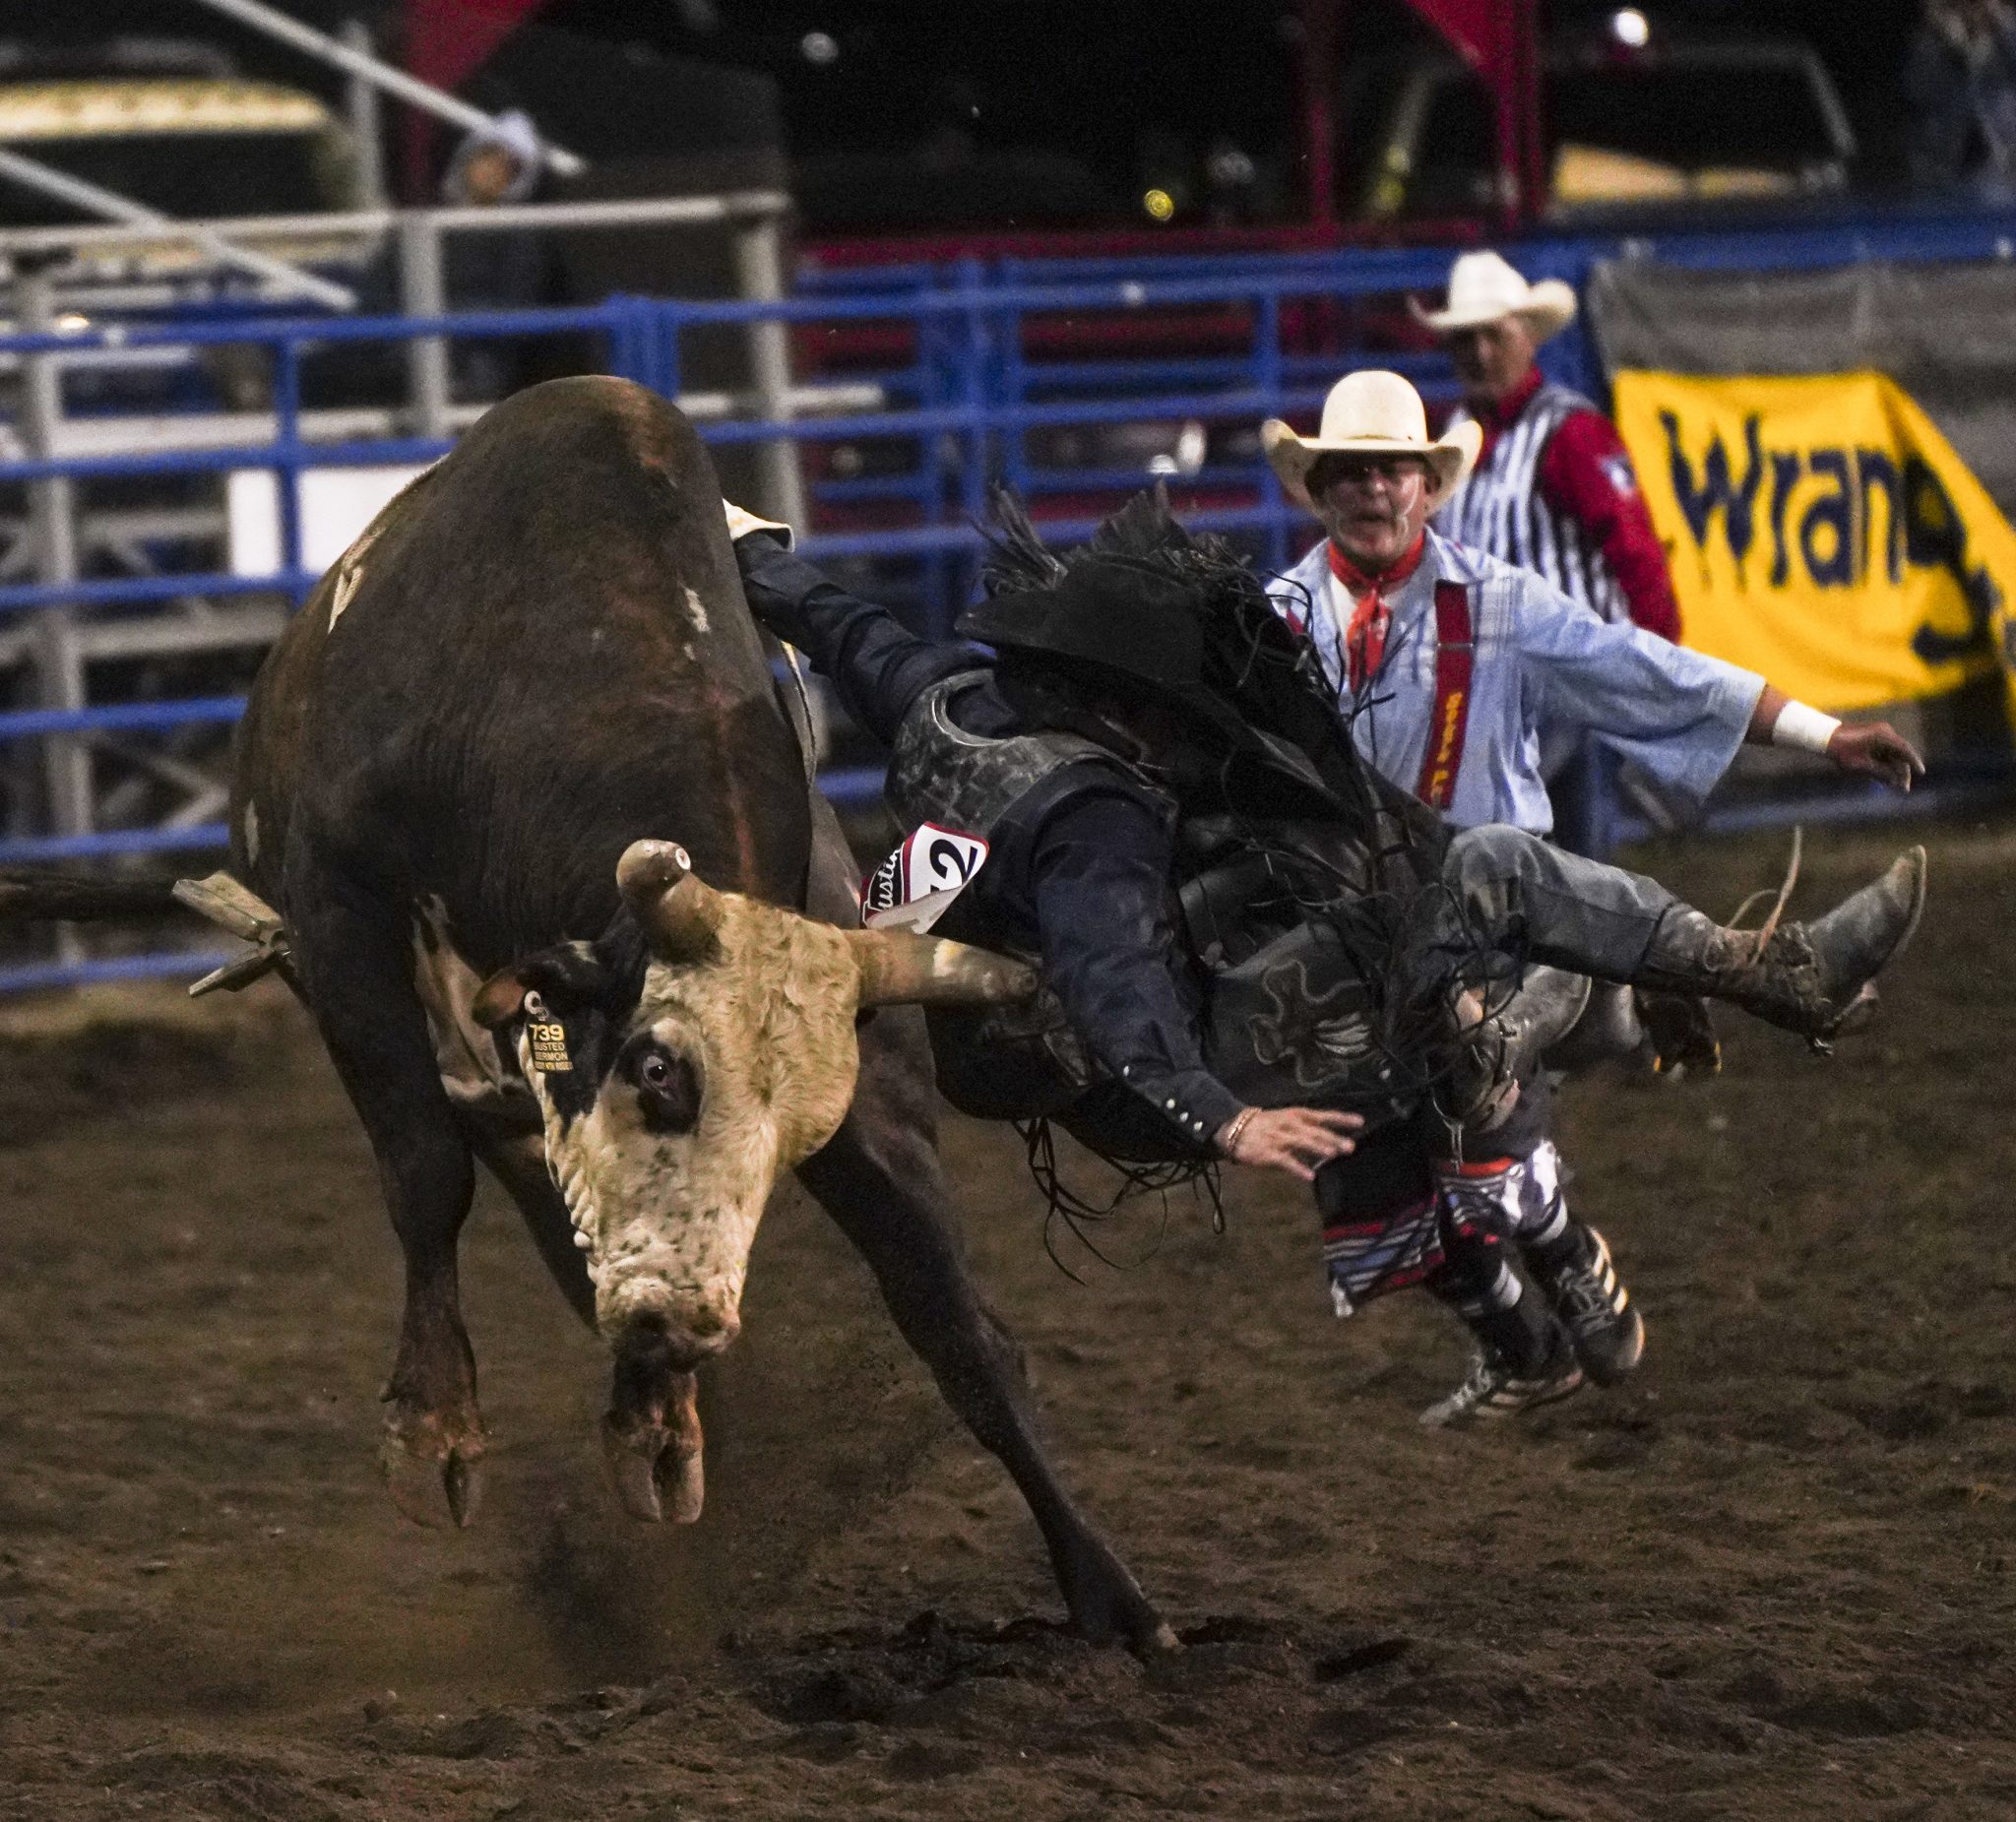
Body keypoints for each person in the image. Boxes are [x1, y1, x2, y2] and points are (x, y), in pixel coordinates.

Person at [721, 494, 1924, 1424]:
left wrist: (736, 544)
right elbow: (1116, 982)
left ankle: (1539, 1150)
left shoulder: (943, 696)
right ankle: (1761, 977)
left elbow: (839, 620)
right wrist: (1218, 1119)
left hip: (1029, 1047)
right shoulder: (1097, 817)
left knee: (1388, 896)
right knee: (1477, 884)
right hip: (1139, 1077)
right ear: (1119, 703)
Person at [1260, 370, 1924, 1424]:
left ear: (1426, 488)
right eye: (1349, 473)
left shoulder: (1499, 606)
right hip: (1353, 944)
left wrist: (1821, 731)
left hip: (1502, 938)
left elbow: (1650, 673)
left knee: (1478, 1109)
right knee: (1362, 1185)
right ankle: (1523, 1344)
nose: (1371, 491)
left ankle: (1566, 1237)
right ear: (1320, 491)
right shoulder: (1272, 630)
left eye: (1390, 470)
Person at [1906, 0, 2016, 201]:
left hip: (2004, 166)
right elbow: (1918, 93)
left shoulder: (2006, 37)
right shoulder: (1930, 46)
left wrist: (2006, 29)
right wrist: (1955, 53)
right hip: (1945, 167)